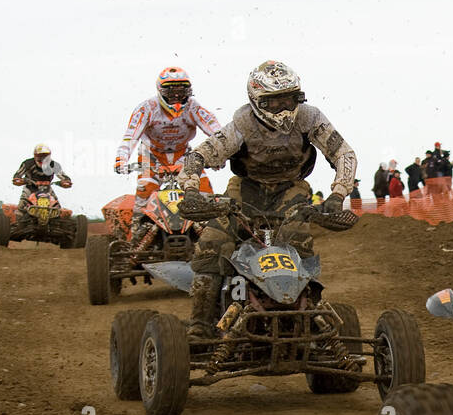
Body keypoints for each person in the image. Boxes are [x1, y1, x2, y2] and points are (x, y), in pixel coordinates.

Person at [180, 60, 357, 336]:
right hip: (245, 189)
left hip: (291, 188)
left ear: (298, 96)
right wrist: (191, 188)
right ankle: (200, 325)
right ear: (257, 101)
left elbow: (343, 153)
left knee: (298, 244)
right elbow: (200, 155)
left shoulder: (310, 118)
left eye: (288, 99)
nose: (283, 108)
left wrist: (338, 194)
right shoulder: (242, 124)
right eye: (274, 103)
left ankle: (309, 317)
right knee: (212, 243)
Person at [115, 67, 221, 242]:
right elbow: (130, 136)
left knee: (205, 194)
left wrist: (221, 154)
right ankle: (135, 241)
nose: (176, 97)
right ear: (160, 91)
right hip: (151, 155)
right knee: (144, 191)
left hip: (184, 155)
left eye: (181, 92)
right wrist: (122, 159)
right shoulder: (147, 108)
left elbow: (217, 131)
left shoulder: (194, 107)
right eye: (171, 92)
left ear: (189, 91)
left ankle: (214, 238)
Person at [12, 143, 71, 210]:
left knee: (58, 208)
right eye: (40, 156)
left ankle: (59, 218)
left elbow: (63, 176)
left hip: (47, 189)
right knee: (21, 207)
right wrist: (19, 180)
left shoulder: (54, 165)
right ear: (35, 156)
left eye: (45, 156)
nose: (43, 159)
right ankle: (19, 217)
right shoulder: (28, 163)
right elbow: (17, 175)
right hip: (30, 188)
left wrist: (66, 182)